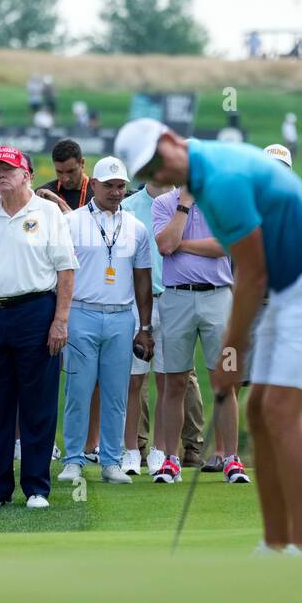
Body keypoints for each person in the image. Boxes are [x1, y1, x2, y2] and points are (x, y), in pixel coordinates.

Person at [116, 120, 302, 554]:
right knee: (261, 412)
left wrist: (230, 352)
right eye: (148, 172)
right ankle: (274, 543)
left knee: (281, 410)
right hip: (291, 283)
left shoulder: (222, 178)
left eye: (159, 162)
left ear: (173, 142)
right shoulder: (207, 173)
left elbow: (250, 272)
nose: (158, 176)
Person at [0, 146, 76, 511]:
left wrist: (60, 320)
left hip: (36, 311)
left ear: (27, 174)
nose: (0, 176)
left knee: (37, 402)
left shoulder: (47, 213)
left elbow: (66, 271)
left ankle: (37, 487)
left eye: (8, 170)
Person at [58, 157, 153, 486]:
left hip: (120, 317)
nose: (116, 192)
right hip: (81, 313)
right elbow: (61, 275)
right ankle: (73, 459)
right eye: (109, 185)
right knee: (78, 391)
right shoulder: (72, 223)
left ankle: (111, 461)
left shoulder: (136, 227)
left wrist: (145, 326)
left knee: (116, 394)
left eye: (121, 186)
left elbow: (142, 278)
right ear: (94, 185)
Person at [151, 168, 242, 482]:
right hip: (176, 299)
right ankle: (171, 459)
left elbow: (223, 246)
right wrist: (184, 206)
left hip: (217, 299)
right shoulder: (163, 202)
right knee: (174, 381)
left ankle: (231, 458)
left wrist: (183, 245)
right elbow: (165, 244)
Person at [121, 181, 206, 475]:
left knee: (168, 382)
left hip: (174, 298)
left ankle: (160, 450)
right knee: (133, 381)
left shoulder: (185, 200)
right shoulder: (129, 207)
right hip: (137, 302)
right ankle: (131, 450)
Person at [39, 138, 95, 210]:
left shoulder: (98, 194)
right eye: (59, 172)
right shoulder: (43, 195)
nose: (65, 178)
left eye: (70, 171)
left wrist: (60, 203)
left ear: (82, 163)